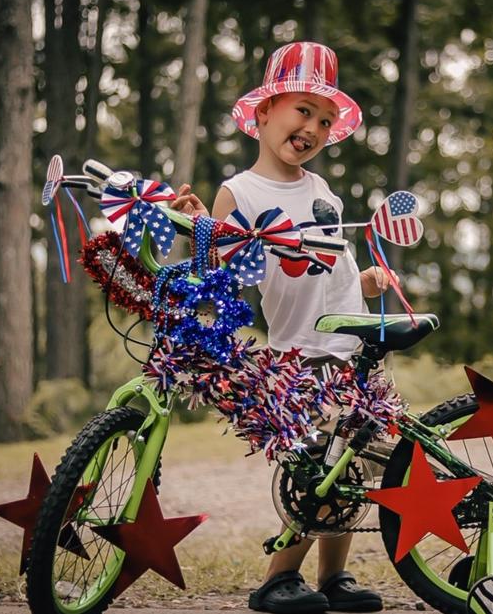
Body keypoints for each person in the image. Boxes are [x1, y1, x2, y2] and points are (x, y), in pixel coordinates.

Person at [172, 41, 395, 614]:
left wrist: (365, 282)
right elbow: (213, 267)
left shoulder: (321, 191)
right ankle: (278, 578)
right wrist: (200, 226)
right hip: (301, 349)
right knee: (318, 465)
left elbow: (330, 267)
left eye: (325, 120)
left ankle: (334, 577)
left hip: (352, 341)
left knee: (353, 462)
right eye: (303, 110)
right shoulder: (241, 192)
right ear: (265, 111)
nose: (314, 127)